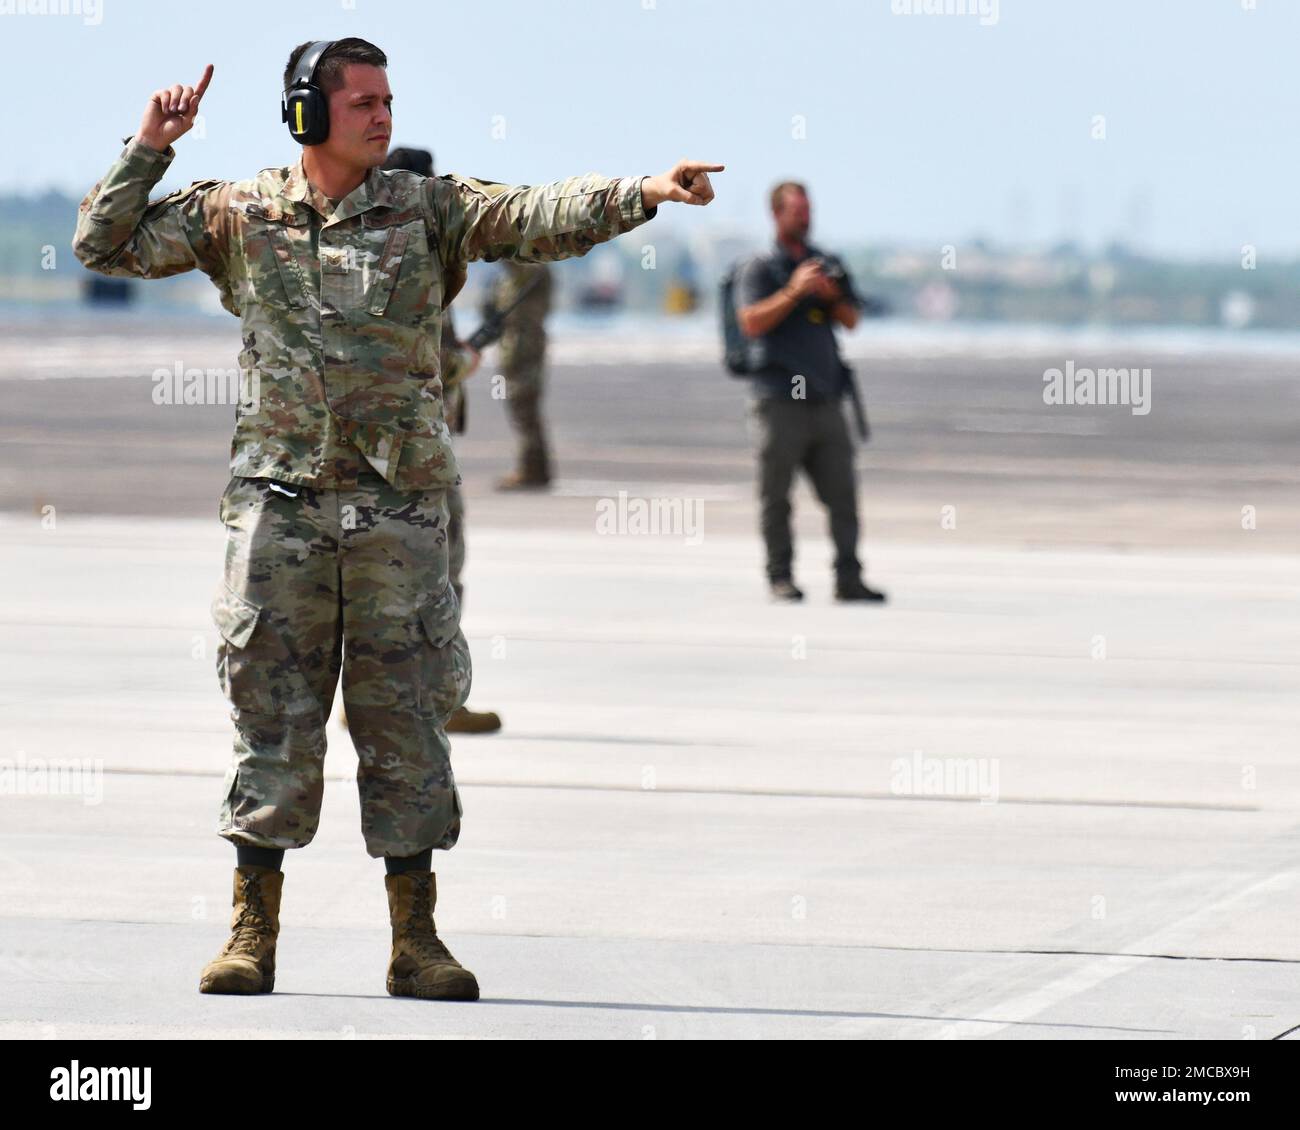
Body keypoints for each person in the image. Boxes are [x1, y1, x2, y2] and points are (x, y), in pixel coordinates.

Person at [72, 37, 722, 1001]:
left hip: (396, 512)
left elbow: (533, 216)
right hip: (281, 509)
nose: (383, 115)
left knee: (408, 722)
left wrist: (643, 191)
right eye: (364, 101)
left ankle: (415, 941)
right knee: (270, 719)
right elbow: (104, 245)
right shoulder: (239, 213)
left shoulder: (426, 209)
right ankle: (253, 931)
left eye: (388, 99)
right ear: (308, 113)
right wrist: (150, 145)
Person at [734, 181, 886, 604]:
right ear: (777, 215)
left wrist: (829, 295)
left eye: (808, 210)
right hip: (777, 400)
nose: (805, 217)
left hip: (826, 398)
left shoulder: (827, 264)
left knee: (843, 496)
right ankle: (780, 576)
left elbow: (852, 319)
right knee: (775, 497)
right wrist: (793, 292)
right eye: (797, 211)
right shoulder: (760, 268)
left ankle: (849, 578)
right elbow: (750, 322)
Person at [486, 260, 554, 489]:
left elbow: (516, 262)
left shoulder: (535, 267)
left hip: (527, 345)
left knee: (525, 406)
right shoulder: (507, 278)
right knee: (520, 408)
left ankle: (533, 470)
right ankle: (535, 469)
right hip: (511, 345)